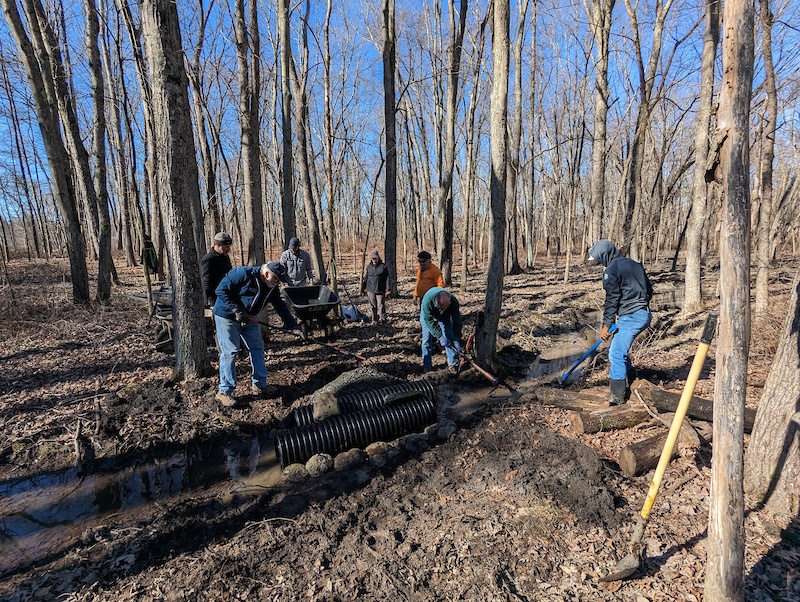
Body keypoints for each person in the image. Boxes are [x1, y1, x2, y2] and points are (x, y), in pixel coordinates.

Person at [212, 262, 298, 407]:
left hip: (249, 318)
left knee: (257, 347)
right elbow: (221, 291)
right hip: (227, 316)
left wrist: (293, 326)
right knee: (230, 351)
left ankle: (259, 384)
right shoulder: (242, 274)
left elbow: (279, 304)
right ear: (266, 274)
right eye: (276, 279)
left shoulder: (271, 287)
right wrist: (238, 311)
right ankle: (224, 391)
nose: (277, 283)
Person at [587, 240, 653, 405]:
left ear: (604, 255)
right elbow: (649, 290)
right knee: (619, 349)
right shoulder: (634, 264)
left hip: (631, 317)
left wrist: (607, 325)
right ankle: (632, 381)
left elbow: (612, 299)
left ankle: (617, 398)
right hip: (644, 313)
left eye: (598, 259)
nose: (598, 262)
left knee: (615, 353)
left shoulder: (611, 271)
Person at [420, 287, 463, 372]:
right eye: (443, 306)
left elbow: (456, 322)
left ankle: (453, 363)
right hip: (429, 316)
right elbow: (428, 322)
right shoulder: (427, 302)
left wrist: (457, 339)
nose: (445, 308)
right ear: (437, 302)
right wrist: (440, 336)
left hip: (444, 316)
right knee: (426, 339)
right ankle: (427, 365)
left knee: (449, 335)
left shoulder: (453, 302)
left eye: (447, 306)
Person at [200, 232, 233, 306]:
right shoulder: (208, 259)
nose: (228, 249)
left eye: (229, 246)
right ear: (218, 245)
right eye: (226, 246)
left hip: (226, 297)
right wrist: (212, 302)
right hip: (216, 299)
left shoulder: (225, 257)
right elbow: (206, 283)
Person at [361, 249, 391, 323]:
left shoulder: (383, 267)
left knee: (381, 305)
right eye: (372, 258)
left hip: (380, 289)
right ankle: (374, 320)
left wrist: (388, 288)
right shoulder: (369, 267)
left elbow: (387, 278)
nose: (374, 259)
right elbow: (366, 278)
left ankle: (383, 320)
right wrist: (363, 288)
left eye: (375, 258)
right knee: (372, 306)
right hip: (370, 289)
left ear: (378, 257)